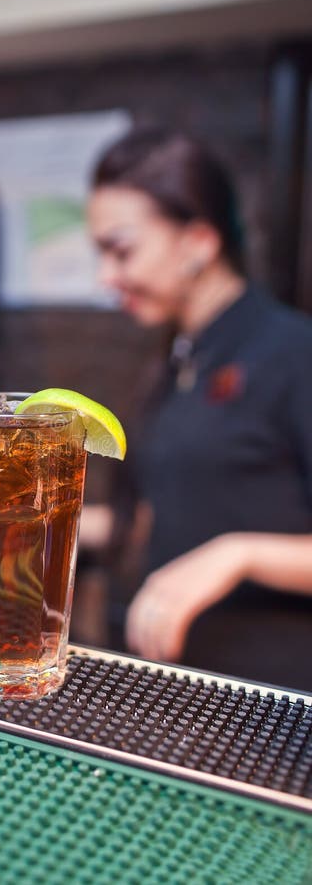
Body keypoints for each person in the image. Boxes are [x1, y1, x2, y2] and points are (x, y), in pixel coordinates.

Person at [88, 126, 312, 685]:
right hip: (180, 680)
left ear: (199, 242)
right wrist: (26, 519)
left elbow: (223, 536)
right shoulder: (179, 358)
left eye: (122, 250)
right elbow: (156, 515)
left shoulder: (293, 353)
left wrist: (239, 554)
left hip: (271, 700)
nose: (107, 277)